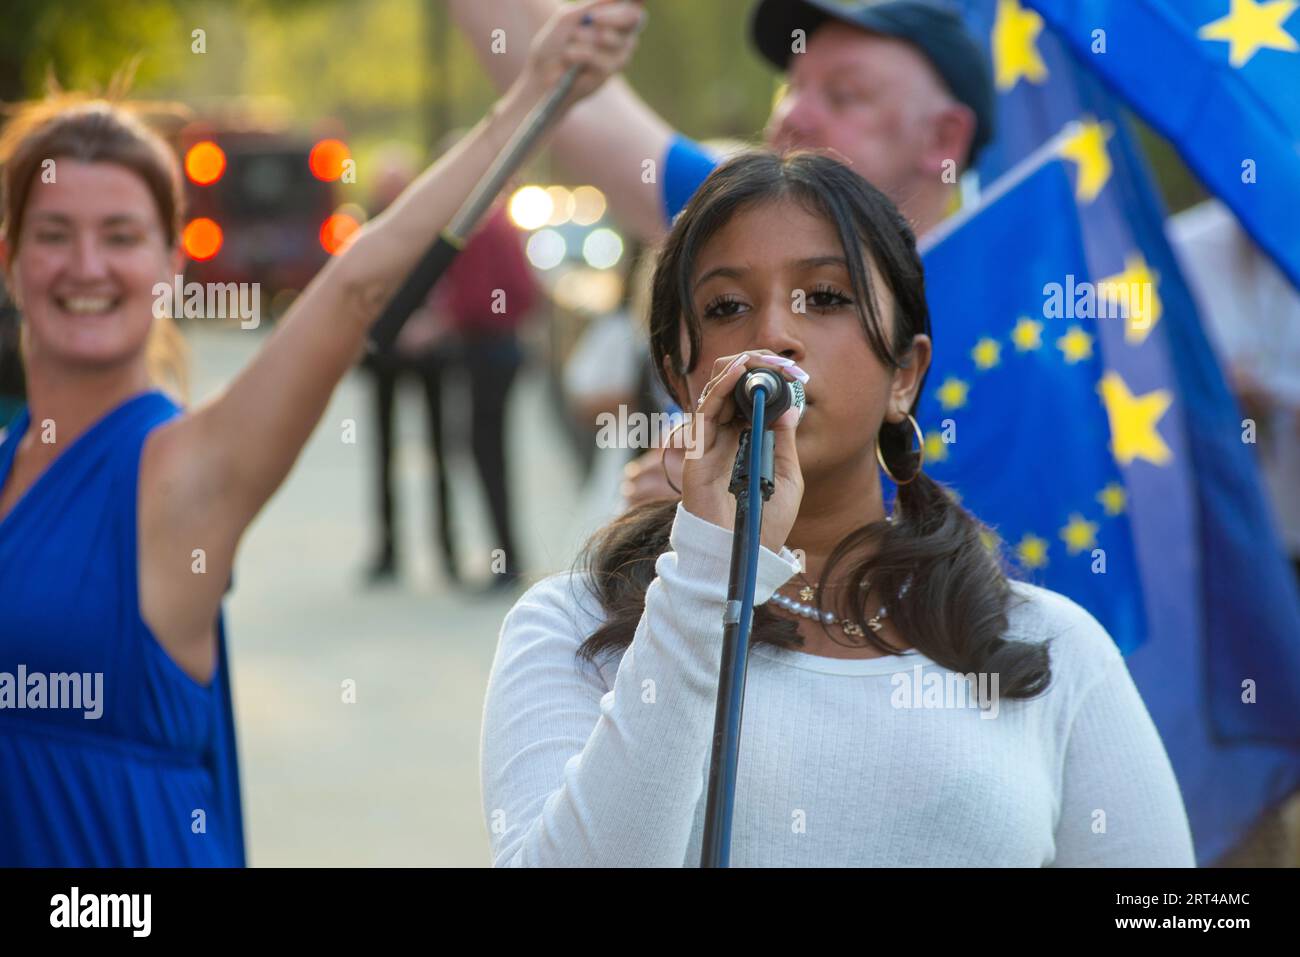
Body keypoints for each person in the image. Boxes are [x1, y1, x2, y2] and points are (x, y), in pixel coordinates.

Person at [0, 0, 642, 866]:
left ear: (169, 262)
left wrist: (534, 92)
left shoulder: (182, 473)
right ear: (9, 256)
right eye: (53, 234)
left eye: (120, 235)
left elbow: (354, 289)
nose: (86, 265)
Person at [480, 149, 1196, 867]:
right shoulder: (572, 631)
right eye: (727, 307)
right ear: (680, 377)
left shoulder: (1050, 646)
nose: (775, 336)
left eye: (825, 297)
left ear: (905, 376)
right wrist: (705, 570)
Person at [448, 0, 994, 502]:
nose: (792, 116)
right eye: (728, 304)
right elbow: (570, 92)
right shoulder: (730, 218)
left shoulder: (1038, 316)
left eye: (843, 95)